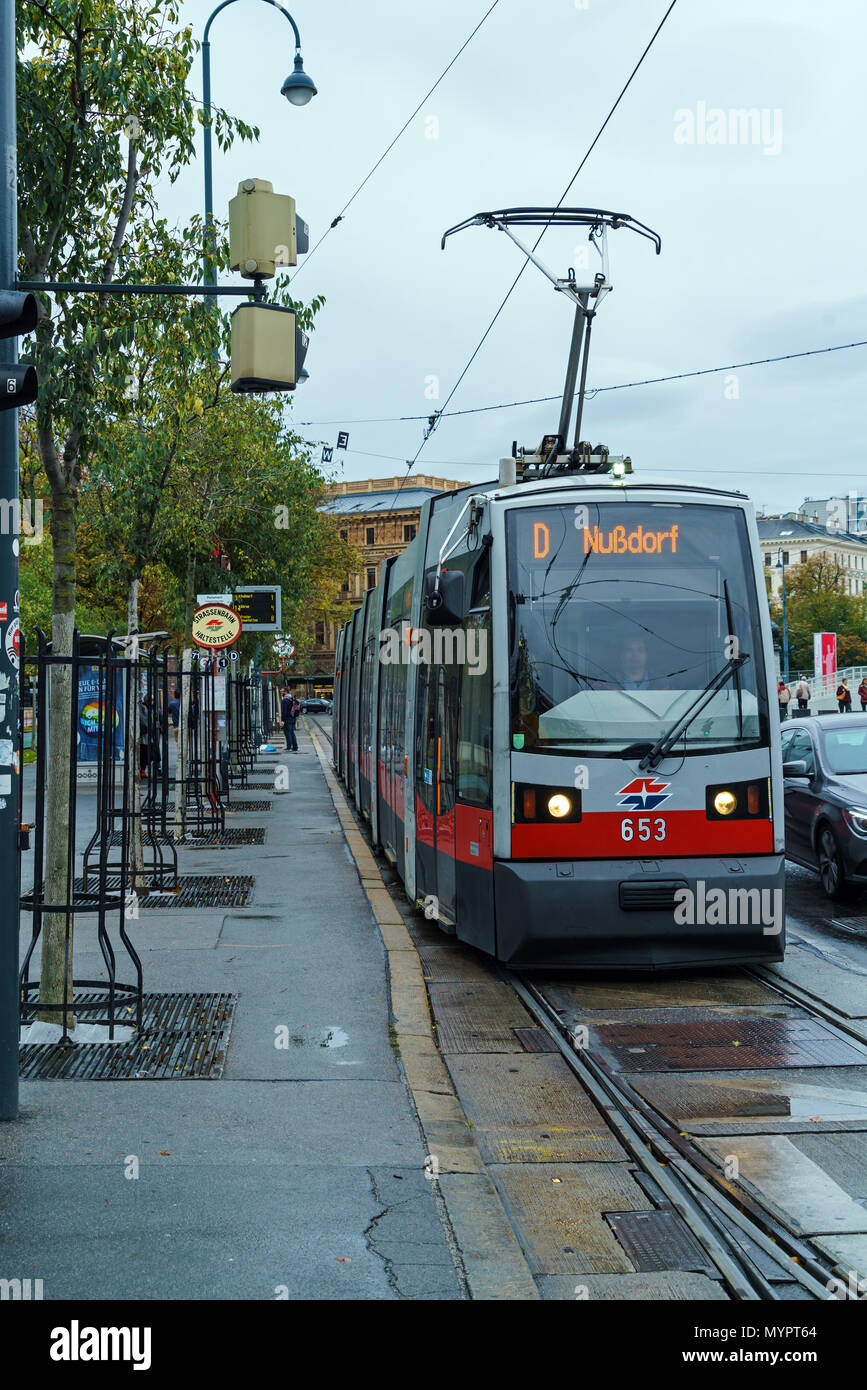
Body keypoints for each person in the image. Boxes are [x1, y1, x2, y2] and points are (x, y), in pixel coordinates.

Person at [280, 687, 299, 752]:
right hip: (293, 717)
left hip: (287, 718)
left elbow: (284, 711)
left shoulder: (285, 700)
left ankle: (289, 747)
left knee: (287, 732)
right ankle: (295, 747)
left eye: (282, 692)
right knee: (292, 732)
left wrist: (282, 720)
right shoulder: (292, 698)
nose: (281, 693)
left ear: (285, 692)